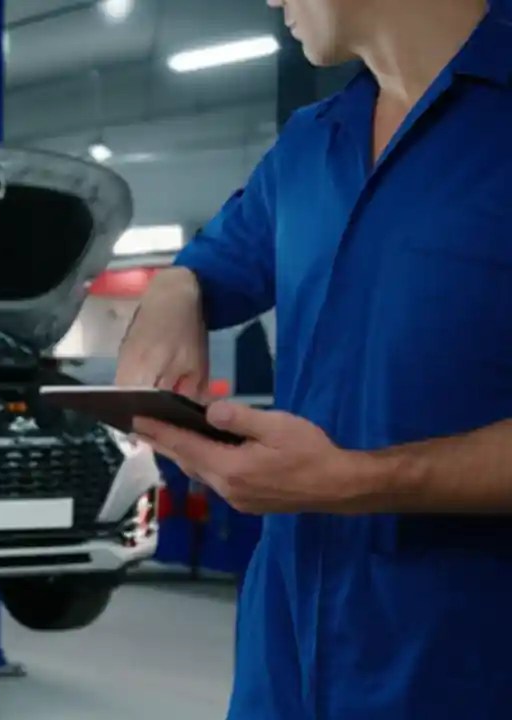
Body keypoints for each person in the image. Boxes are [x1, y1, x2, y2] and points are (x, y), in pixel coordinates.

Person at [115, 0, 512, 717]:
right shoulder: (309, 144)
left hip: (464, 671)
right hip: (284, 670)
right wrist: (176, 290)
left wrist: (358, 481)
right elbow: (211, 263)